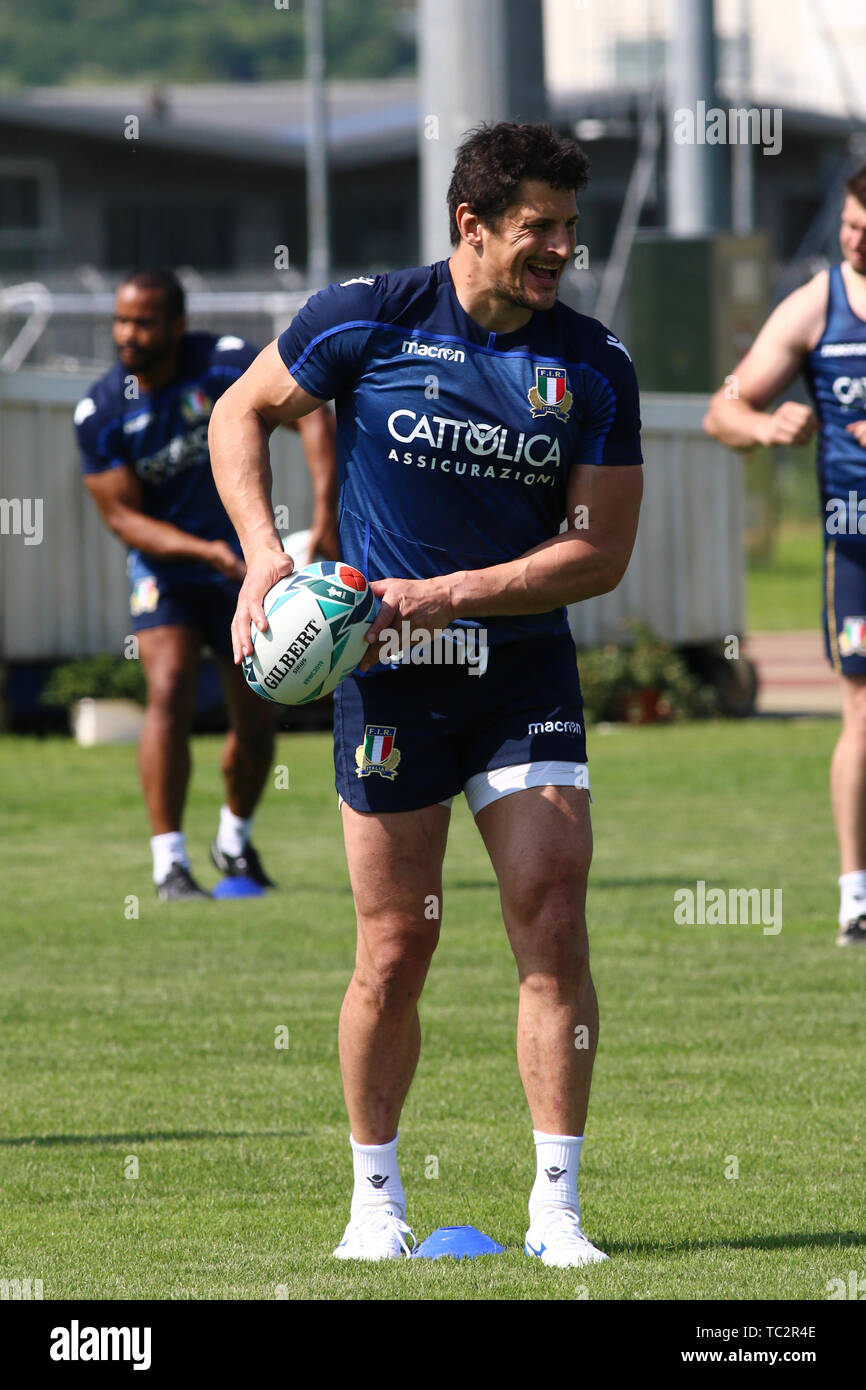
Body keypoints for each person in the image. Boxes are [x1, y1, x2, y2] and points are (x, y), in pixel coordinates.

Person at [209, 123, 644, 1264]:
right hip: (388, 685)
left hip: (522, 675)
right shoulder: (364, 315)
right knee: (395, 947)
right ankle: (373, 1201)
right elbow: (238, 412)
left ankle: (555, 1209)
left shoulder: (591, 364)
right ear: (471, 226)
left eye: (567, 227)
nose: (560, 248)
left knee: (550, 915)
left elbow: (598, 552)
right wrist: (262, 551)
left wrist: (456, 590)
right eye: (535, 229)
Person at [75, 268, 338, 900]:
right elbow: (123, 518)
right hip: (168, 570)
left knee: (256, 709)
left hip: (247, 565)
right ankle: (169, 863)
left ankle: (234, 842)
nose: (127, 334)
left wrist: (326, 516)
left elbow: (311, 414)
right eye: (121, 320)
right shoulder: (103, 409)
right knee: (167, 688)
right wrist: (204, 551)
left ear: (177, 325)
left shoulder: (223, 364)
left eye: (143, 321)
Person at [704, 167, 866, 948]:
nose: (855, 239)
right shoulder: (815, 307)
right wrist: (764, 428)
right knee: (861, 713)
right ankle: (856, 896)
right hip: (855, 543)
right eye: (849, 225)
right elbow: (722, 409)